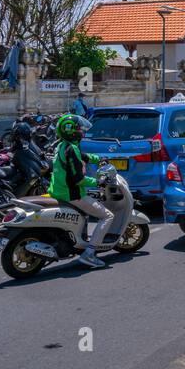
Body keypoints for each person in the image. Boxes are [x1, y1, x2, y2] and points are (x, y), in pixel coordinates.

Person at [49, 113, 111, 269]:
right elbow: (79, 180)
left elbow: (82, 157)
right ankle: (89, 253)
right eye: (79, 129)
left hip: (58, 190)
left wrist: (99, 158)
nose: (82, 132)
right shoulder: (72, 149)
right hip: (71, 193)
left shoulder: (62, 145)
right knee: (108, 216)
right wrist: (99, 182)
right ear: (72, 131)